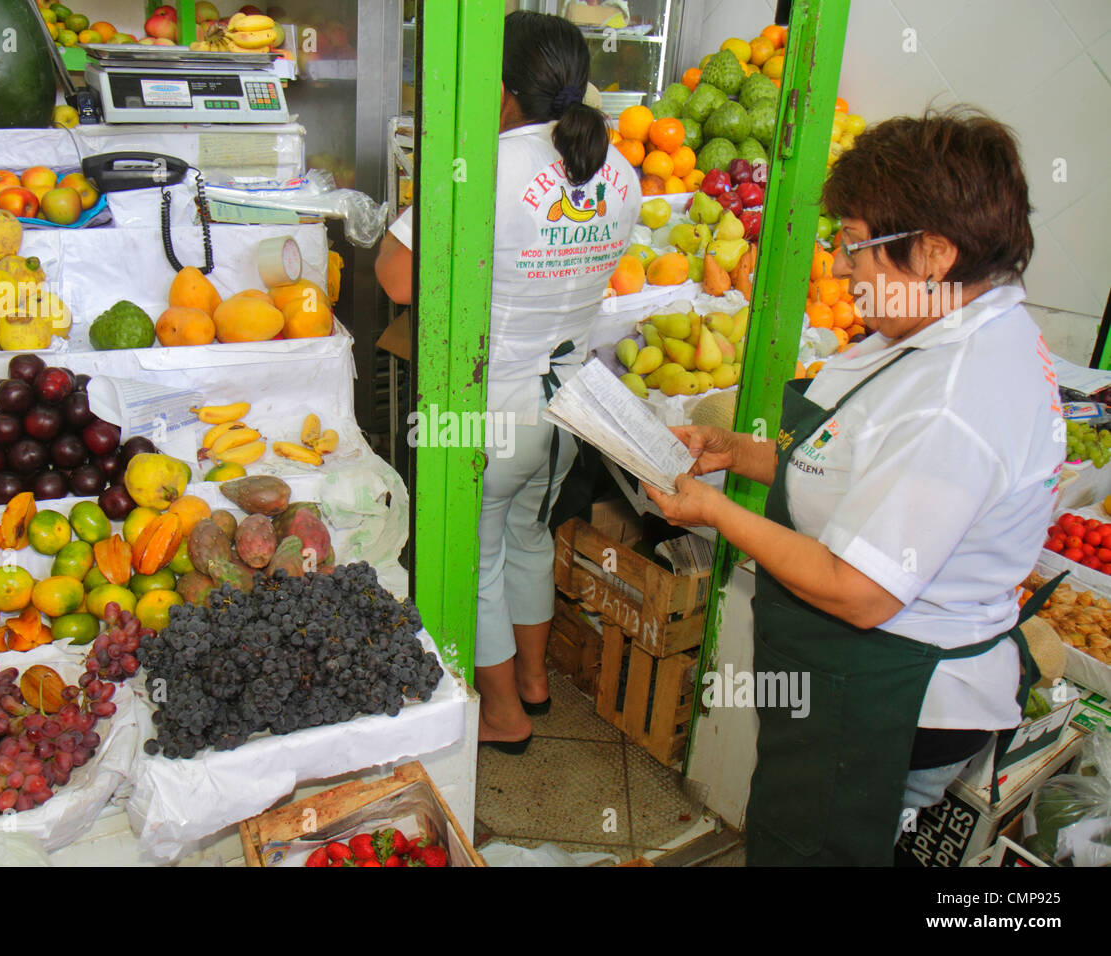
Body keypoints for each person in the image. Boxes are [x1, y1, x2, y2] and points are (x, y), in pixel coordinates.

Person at [643, 109, 1061, 865]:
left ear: (933, 253)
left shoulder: (956, 398)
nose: (840, 267)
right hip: (853, 680)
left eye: (856, 244)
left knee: (815, 852)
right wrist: (735, 452)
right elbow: (852, 459)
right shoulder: (937, 337)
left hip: (888, 699)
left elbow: (860, 589)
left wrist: (711, 511)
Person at [376, 11, 641, 752]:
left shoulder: (483, 169)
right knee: (529, 538)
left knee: (477, 553)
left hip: (487, 410)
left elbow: (395, 279)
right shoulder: (619, 169)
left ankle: (502, 715)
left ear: (500, 90)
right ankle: (533, 681)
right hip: (568, 405)